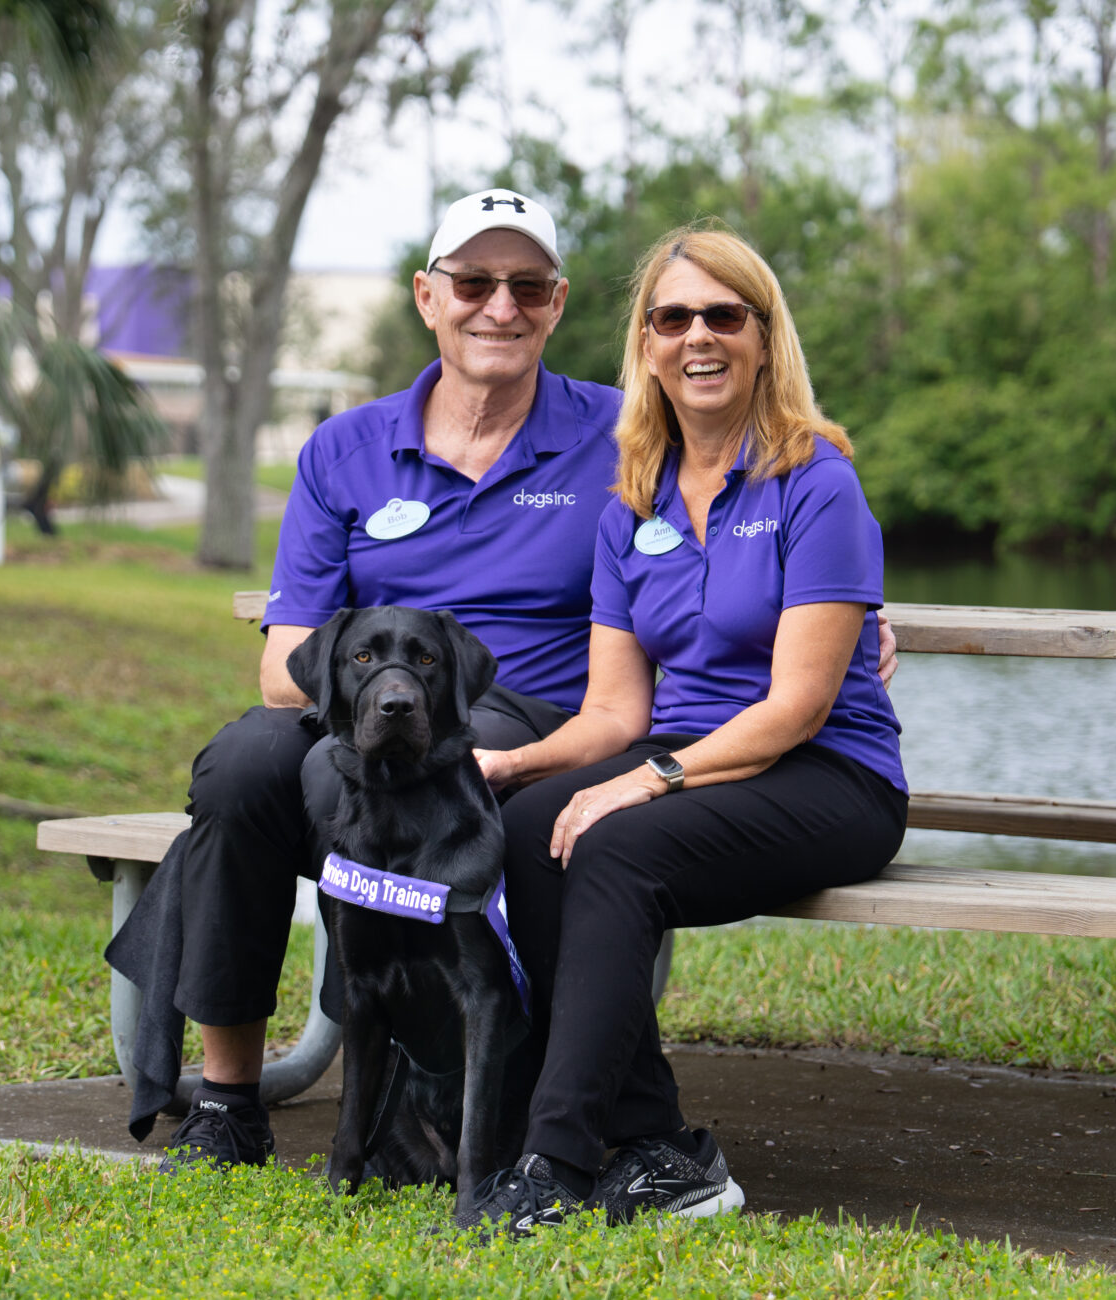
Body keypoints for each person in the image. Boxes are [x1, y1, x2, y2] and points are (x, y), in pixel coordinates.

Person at [144, 188, 625, 1168]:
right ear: (426, 295)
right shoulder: (345, 449)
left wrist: (844, 591)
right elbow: (284, 663)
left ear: (558, 303)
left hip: (518, 713)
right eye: (473, 283)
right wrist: (364, 702)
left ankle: (418, 1080)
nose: (500, 307)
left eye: (527, 286)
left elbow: (767, 448)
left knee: (401, 767)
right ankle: (229, 1099)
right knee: (241, 769)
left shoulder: (621, 431)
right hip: (360, 707)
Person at [465, 226, 909, 1235]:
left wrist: (646, 780)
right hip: (691, 765)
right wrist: (514, 763)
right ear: (647, 345)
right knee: (530, 828)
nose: (697, 337)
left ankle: (553, 1161)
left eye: (723, 315)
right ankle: (665, 1150)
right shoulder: (633, 502)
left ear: (763, 336)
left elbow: (796, 708)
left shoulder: (816, 482)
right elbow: (614, 713)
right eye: (672, 318)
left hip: (828, 774)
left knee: (613, 845)